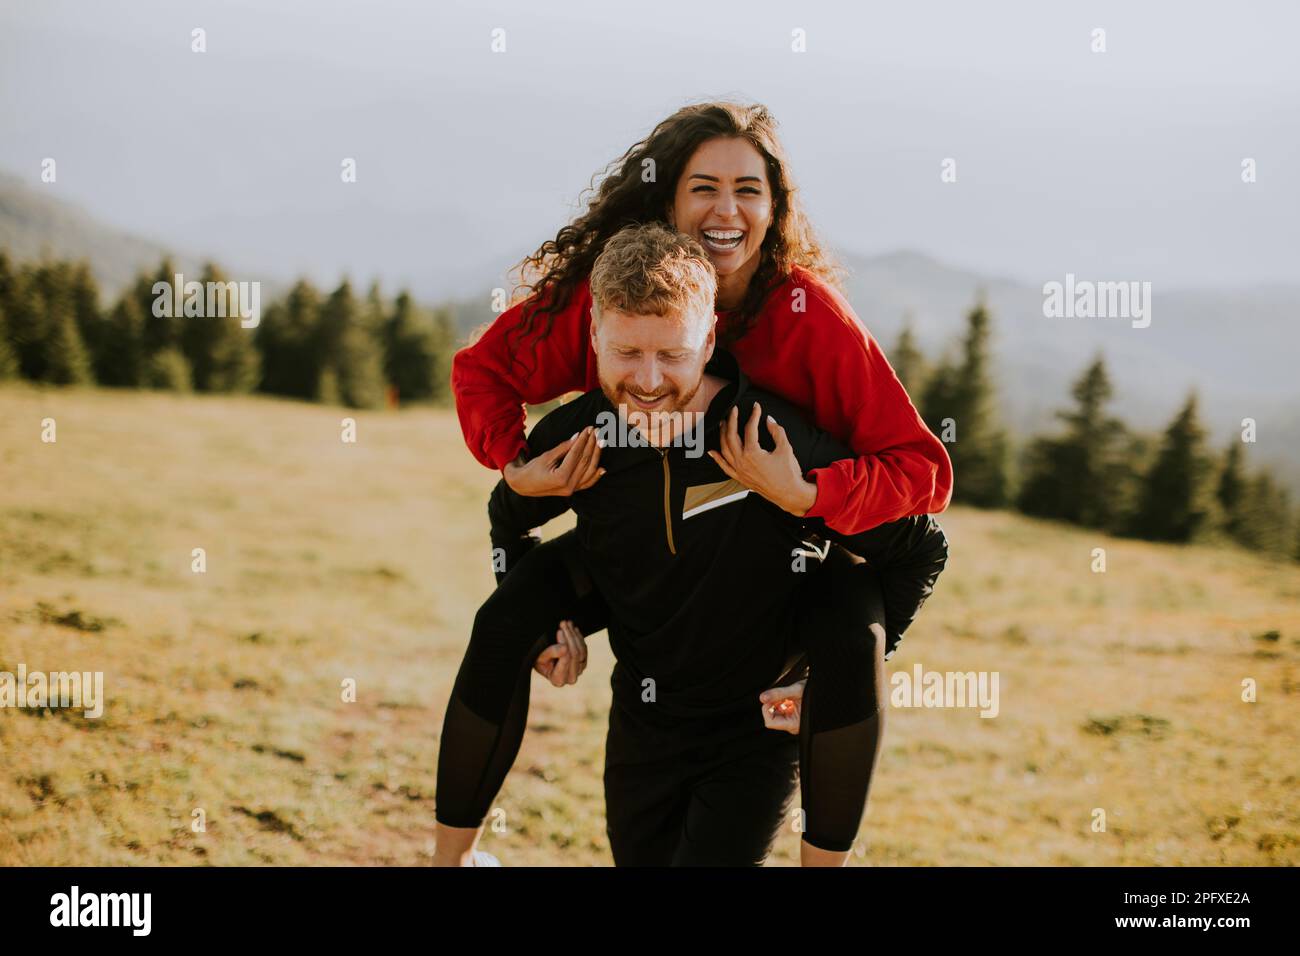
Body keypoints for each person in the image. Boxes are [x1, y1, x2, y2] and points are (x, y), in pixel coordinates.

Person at [434, 224, 948, 866]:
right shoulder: (584, 436)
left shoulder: (769, 439)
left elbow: (920, 549)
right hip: (644, 720)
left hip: (752, 737)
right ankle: (449, 860)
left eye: (672, 355)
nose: (647, 382)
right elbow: (509, 518)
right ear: (594, 335)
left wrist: (832, 679)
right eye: (626, 353)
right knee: (502, 620)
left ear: (708, 340)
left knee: (851, 626)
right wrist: (545, 633)